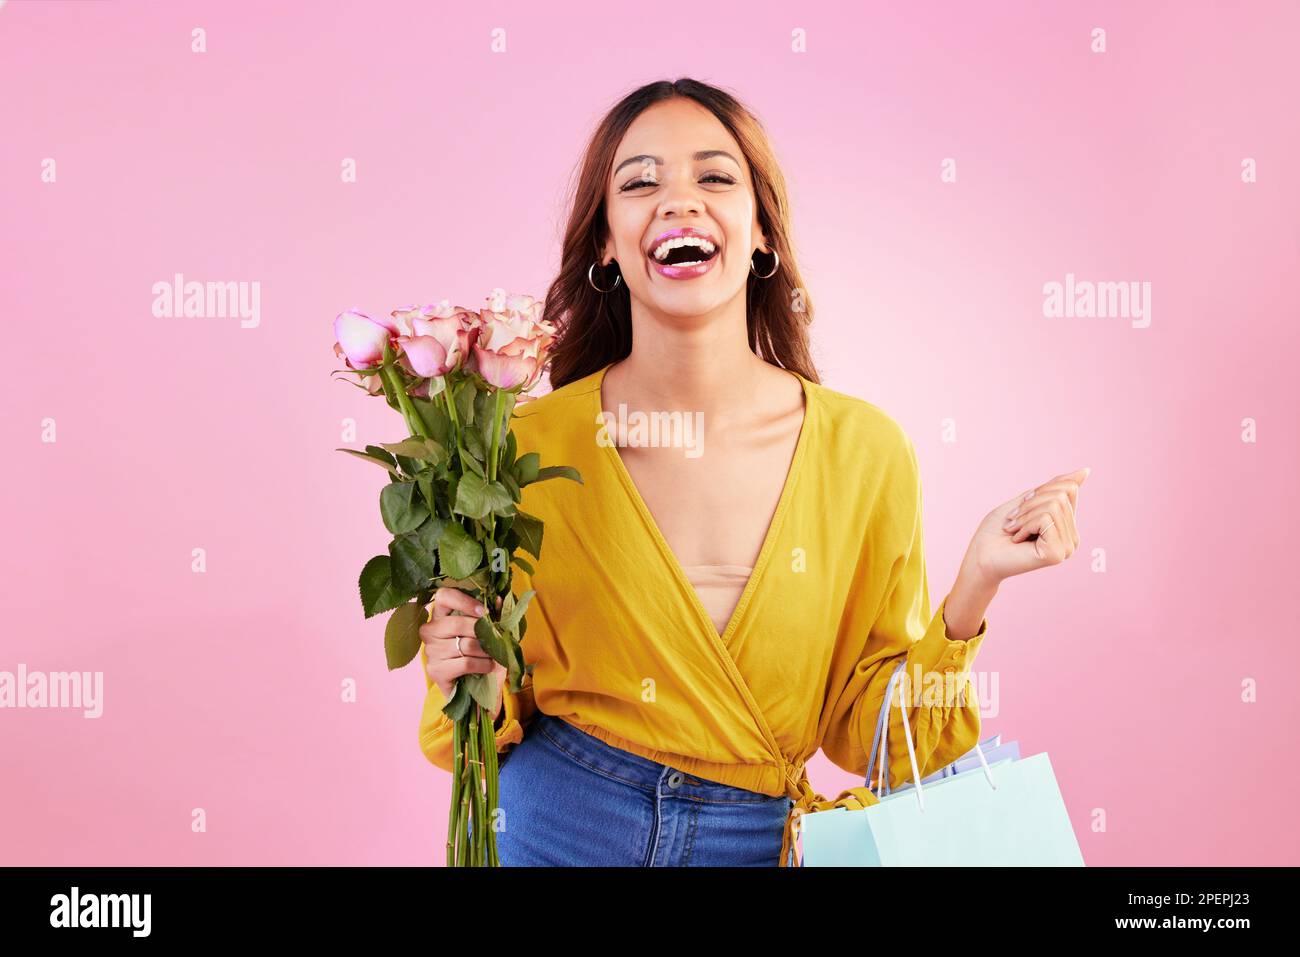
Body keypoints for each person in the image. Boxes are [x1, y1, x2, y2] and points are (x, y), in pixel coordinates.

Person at [418, 77, 1088, 866]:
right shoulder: (519, 445)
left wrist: (973, 590)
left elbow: (881, 740)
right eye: (640, 182)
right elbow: (483, 716)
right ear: (605, 239)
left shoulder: (864, 452)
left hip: (758, 841)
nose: (678, 202)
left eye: (714, 176)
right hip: (558, 821)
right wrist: (461, 666)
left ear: (763, 230)